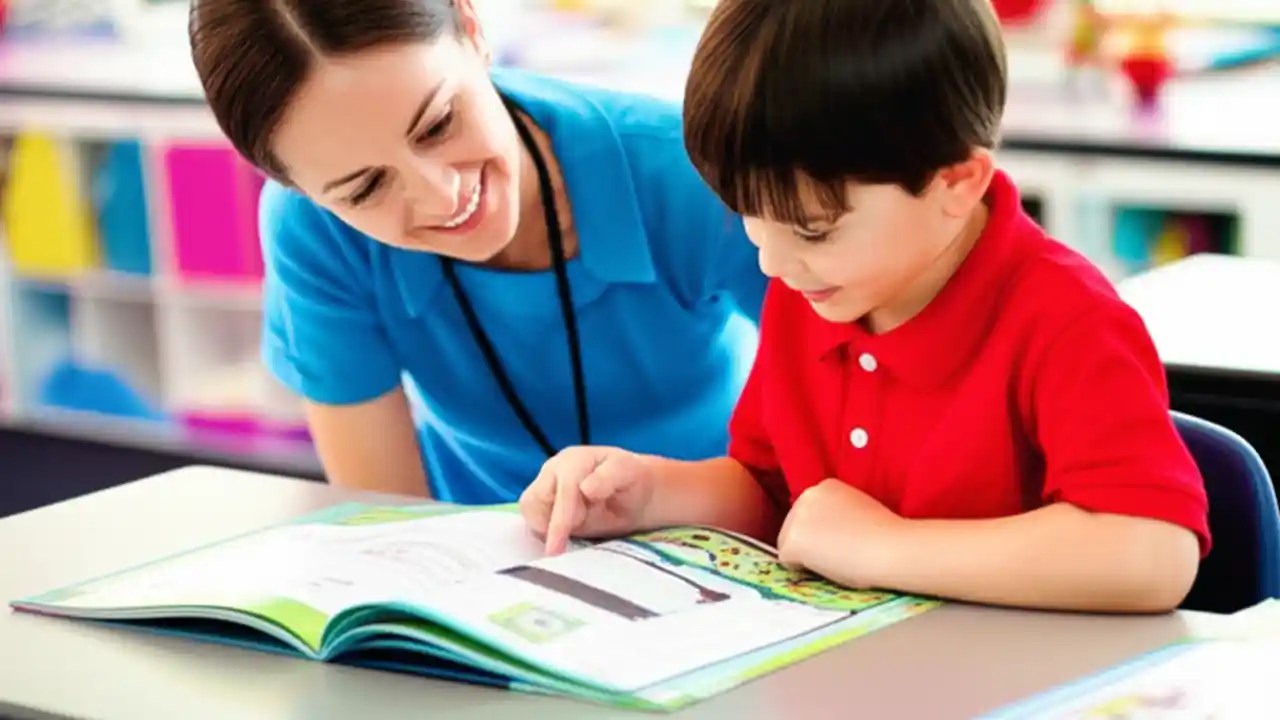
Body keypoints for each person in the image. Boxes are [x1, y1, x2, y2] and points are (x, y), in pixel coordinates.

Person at [520, 0, 1211, 614]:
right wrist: (647, 493)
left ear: (956, 183)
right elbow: (775, 493)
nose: (772, 262)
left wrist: (887, 549)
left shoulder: (1066, 322)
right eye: (748, 219)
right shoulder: (817, 291)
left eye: (813, 228)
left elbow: (1152, 554)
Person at [186, 0, 766, 502]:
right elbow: (384, 517)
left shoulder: (685, 167)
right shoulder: (313, 231)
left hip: (727, 538)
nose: (441, 196)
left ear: (471, 28)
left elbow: (840, 427)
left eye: (438, 123)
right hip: (476, 569)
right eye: (366, 189)